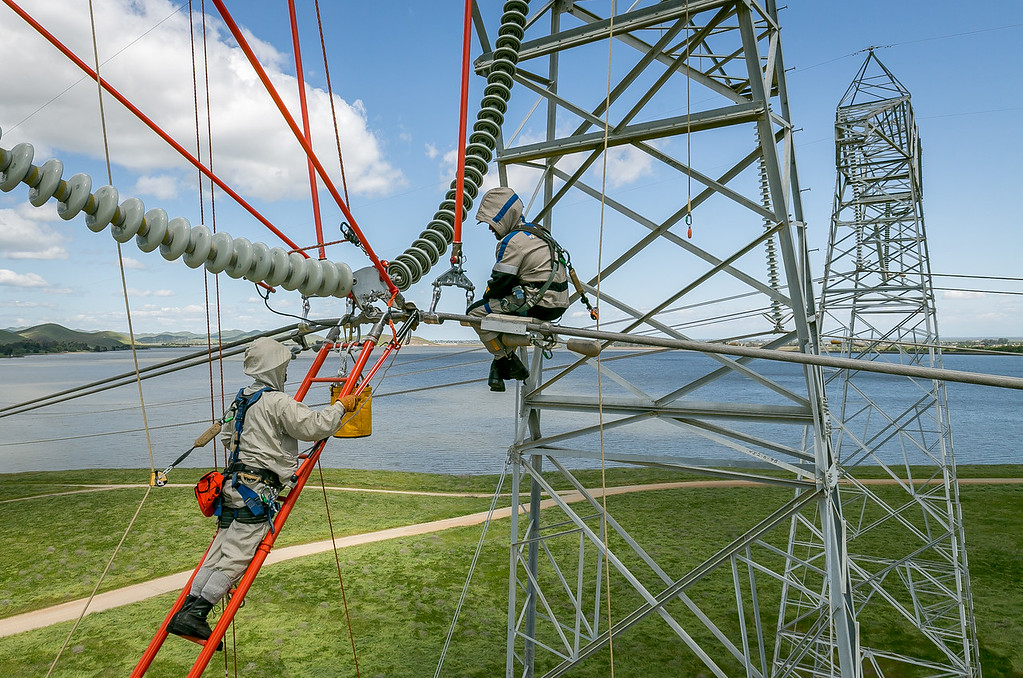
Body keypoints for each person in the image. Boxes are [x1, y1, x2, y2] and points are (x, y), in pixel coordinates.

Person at [166, 337, 357, 642]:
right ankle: (196, 614)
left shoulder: (241, 398)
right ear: (273, 367)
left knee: (217, 553)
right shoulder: (277, 402)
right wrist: (340, 408)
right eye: (283, 368)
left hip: (233, 486)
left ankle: (187, 609)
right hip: (255, 492)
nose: (285, 374)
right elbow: (313, 427)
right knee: (236, 558)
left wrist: (260, 448)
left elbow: (228, 438)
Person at [467, 187, 569, 392]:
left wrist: (485, 299)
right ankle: (502, 367)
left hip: (537, 303)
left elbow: (500, 282)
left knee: (474, 314)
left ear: (502, 218)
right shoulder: (539, 232)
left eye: (491, 223)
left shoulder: (512, 241)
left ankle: (504, 358)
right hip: (558, 303)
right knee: (502, 311)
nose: (490, 229)